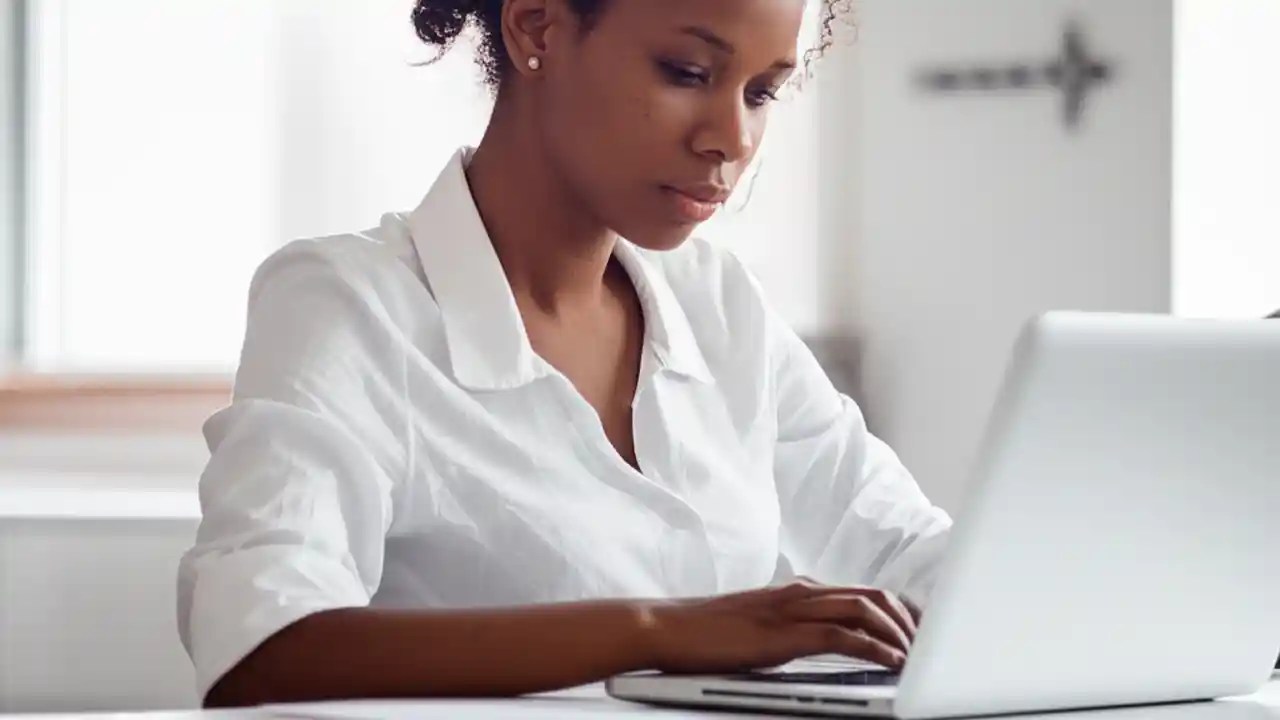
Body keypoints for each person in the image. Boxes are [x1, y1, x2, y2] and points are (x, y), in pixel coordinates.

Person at [178, 0, 952, 707]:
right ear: (537, 27)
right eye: (687, 73)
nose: (733, 140)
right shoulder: (349, 305)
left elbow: (911, 552)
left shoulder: (720, 303)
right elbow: (261, 647)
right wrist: (660, 631)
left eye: (761, 92)